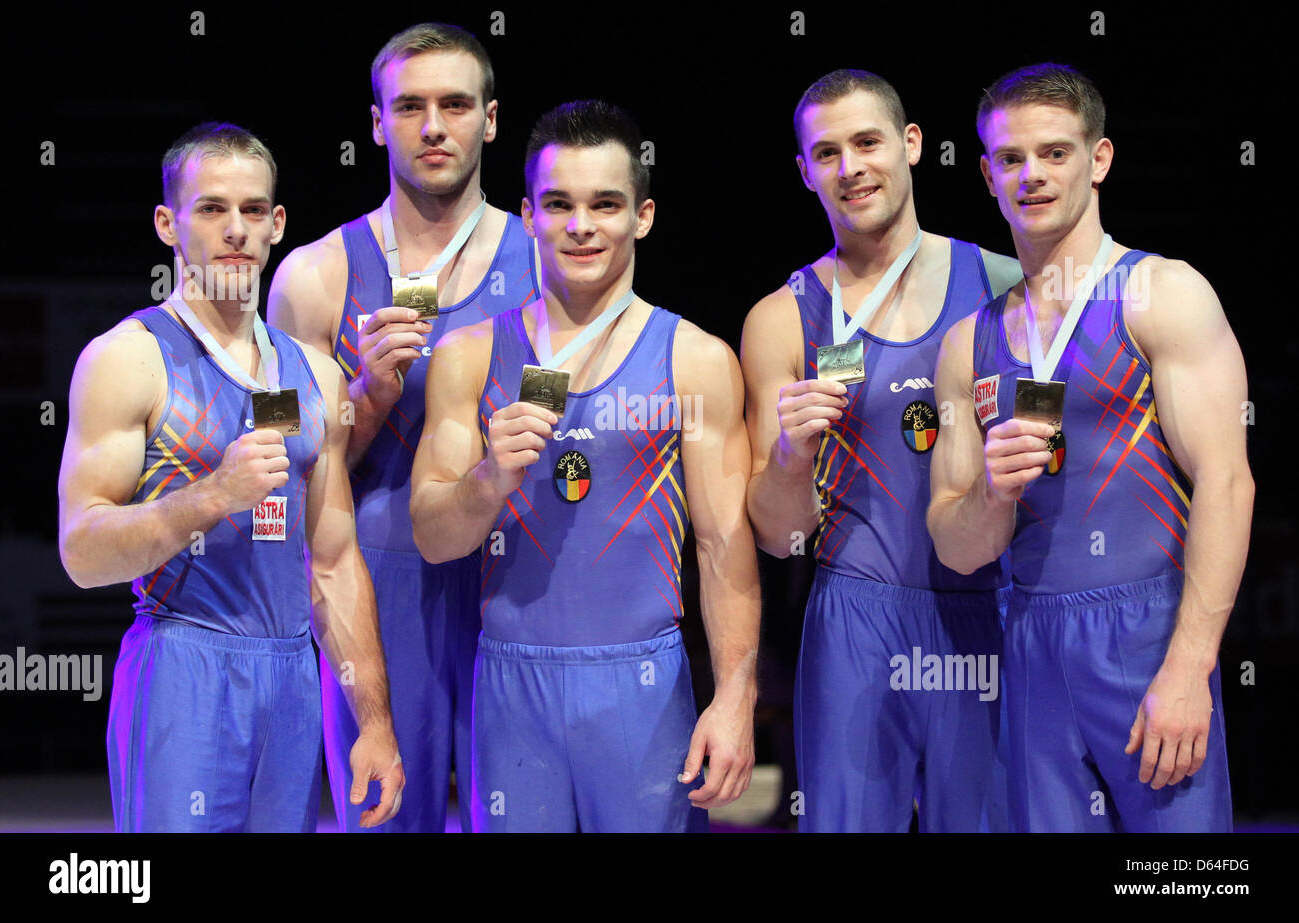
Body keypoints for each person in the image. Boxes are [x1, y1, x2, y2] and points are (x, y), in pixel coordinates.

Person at [409, 100, 760, 832]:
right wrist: (487, 480)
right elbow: (435, 537)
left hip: (642, 689)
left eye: (605, 204)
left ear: (644, 215)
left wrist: (734, 696)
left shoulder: (695, 358)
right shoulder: (469, 356)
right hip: (510, 687)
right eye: (560, 204)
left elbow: (724, 546)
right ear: (528, 214)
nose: (581, 226)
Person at [927, 63, 1251, 831]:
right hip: (1033, 640)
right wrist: (990, 494)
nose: (1031, 175)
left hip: (1149, 634)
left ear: (1098, 160)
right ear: (986, 172)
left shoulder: (1163, 293)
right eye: (1010, 158)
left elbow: (1228, 485)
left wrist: (1188, 667)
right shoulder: (968, 343)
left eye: (1055, 153)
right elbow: (956, 546)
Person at [58, 122, 404, 832]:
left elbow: (334, 564)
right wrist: (211, 495)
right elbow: (82, 550)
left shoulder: (311, 372)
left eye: (253, 211)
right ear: (168, 223)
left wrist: (373, 720)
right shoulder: (127, 359)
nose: (236, 230)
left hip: (291, 678)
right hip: (183, 662)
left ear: (277, 224)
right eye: (212, 209)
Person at [268, 23, 536, 833]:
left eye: (455, 104)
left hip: (517, 575)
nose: (432, 126)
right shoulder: (310, 278)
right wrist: (367, 394)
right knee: (384, 819)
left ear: (489, 120)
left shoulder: (553, 259)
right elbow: (276, 471)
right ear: (377, 123)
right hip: (373, 585)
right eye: (409, 106)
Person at [741, 69, 1021, 832]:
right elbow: (775, 531)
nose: (850, 167)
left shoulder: (1003, 284)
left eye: (867, 142)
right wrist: (791, 458)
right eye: (825, 152)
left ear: (912, 145)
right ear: (804, 172)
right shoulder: (781, 317)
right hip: (855, 619)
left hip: (989, 613)